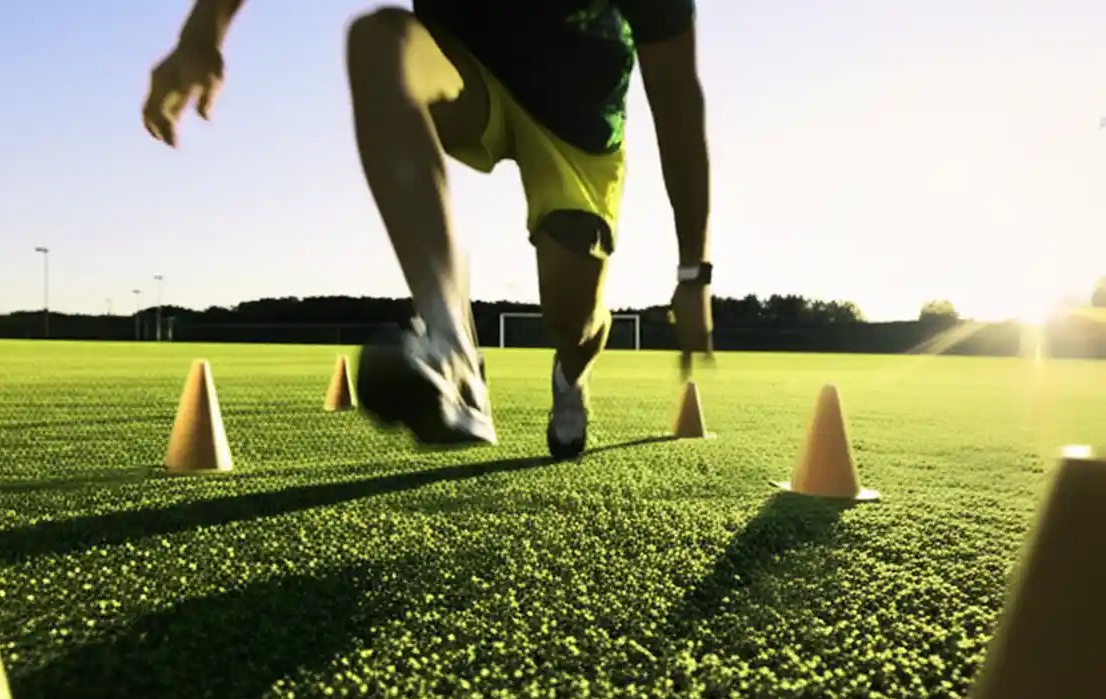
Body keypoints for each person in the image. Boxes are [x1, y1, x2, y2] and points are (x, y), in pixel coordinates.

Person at [143, 0, 714, 459]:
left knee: (572, 316)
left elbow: (678, 101)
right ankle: (453, 350)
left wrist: (694, 273)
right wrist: (203, 31)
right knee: (377, 40)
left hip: (578, 132)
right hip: (469, 77)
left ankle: (572, 374)